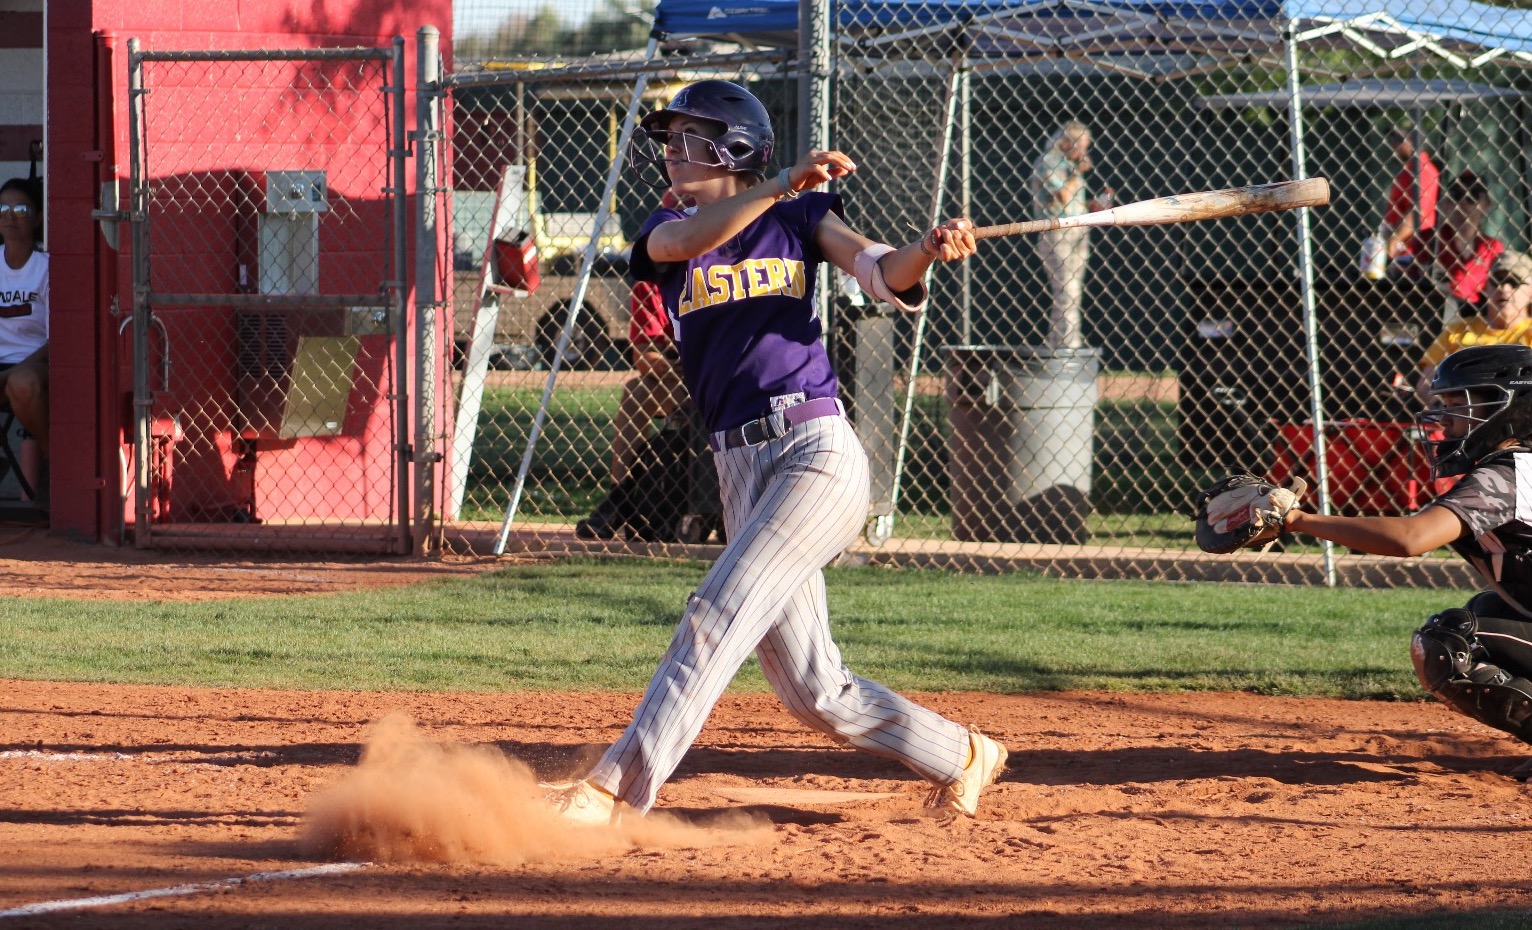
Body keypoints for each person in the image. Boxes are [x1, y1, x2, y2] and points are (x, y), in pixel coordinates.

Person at [542, 79, 1006, 825]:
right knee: (814, 691)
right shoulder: (666, 227)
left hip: (813, 452)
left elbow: (879, 271)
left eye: (688, 138)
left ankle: (611, 793)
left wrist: (924, 249)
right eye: (668, 140)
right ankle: (964, 754)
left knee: (714, 613)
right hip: (738, 465)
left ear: (731, 148)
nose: (670, 153)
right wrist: (784, 178)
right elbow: (690, 243)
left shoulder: (799, 217)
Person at [1283, 340, 1532, 778]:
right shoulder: (1518, 467)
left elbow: (1410, 539)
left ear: (1510, 408)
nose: (1447, 419)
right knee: (1486, 612)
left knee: (1448, 644)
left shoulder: (1507, 476)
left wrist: (1297, 520)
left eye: (1461, 404)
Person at [576, 249, 686, 540]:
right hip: (682, 379)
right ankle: (620, 497)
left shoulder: (717, 273)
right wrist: (677, 363)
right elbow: (644, 356)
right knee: (636, 390)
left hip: (724, 378)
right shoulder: (650, 283)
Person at [1028, 121, 1111, 349]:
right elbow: (1062, 196)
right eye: (1081, 146)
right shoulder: (1049, 162)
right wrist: (1076, 172)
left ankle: (1059, 344)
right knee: (1067, 291)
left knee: (1072, 293)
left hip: (1078, 230)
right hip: (1056, 233)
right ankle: (1069, 346)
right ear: (1067, 142)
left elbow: (1072, 203)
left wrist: (1092, 205)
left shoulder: (1067, 163)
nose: (1084, 152)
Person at [1416, 251, 1532, 402]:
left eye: (1514, 282)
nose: (1504, 288)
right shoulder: (1458, 330)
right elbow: (1425, 384)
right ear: (1485, 288)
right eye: (1497, 281)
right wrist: (1446, 407)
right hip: (1463, 413)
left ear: (1530, 291)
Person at [1408, 169, 1504, 320]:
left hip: (1476, 319)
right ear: (1445, 204)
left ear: (1486, 204)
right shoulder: (1429, 240)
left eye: (1473, 195)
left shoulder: (1492, 248)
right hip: (1437, 315)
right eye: (1456, 196)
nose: (1463, 203)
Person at [0, 177, 47, 465]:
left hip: (38, 366)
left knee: (21, 382)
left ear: (38, 218)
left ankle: (54, 462)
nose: (10, 217)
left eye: (21, 211)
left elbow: (62, 339)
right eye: (4, 209)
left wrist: (9, 374)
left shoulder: (48, 266)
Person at [1381, 127, 1440, 261]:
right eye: (1393, 139)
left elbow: (1416, 213)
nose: (1394, 144)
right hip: (1401, 251)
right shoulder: (1409, 170)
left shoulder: (1423, 170)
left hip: (1410, 253)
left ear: (1415, 143)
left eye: (1399, 140)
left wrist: (1392, 243)